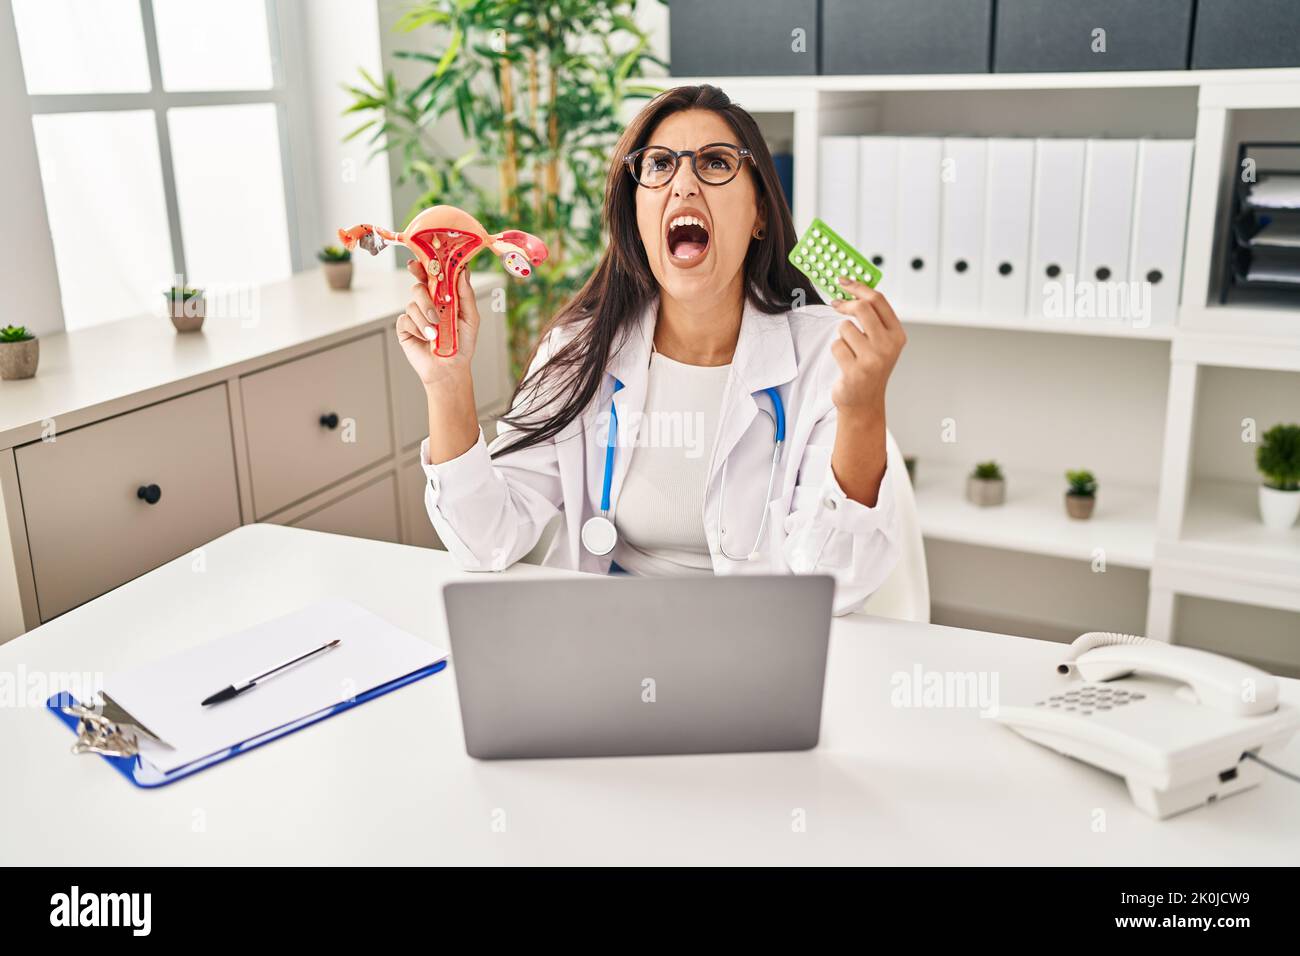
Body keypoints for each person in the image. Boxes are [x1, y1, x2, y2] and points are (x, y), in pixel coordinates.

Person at [395, 84, 907, 615]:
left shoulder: (828, 352)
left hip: (759, 641)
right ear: (638, 216)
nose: (683, 184)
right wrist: (447, 382)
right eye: (659, 165)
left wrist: (864, 409)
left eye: (715, 162)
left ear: (759, 214)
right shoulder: (576, 353)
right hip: (613, 638)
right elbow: (486, 540)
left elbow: (840, 584)